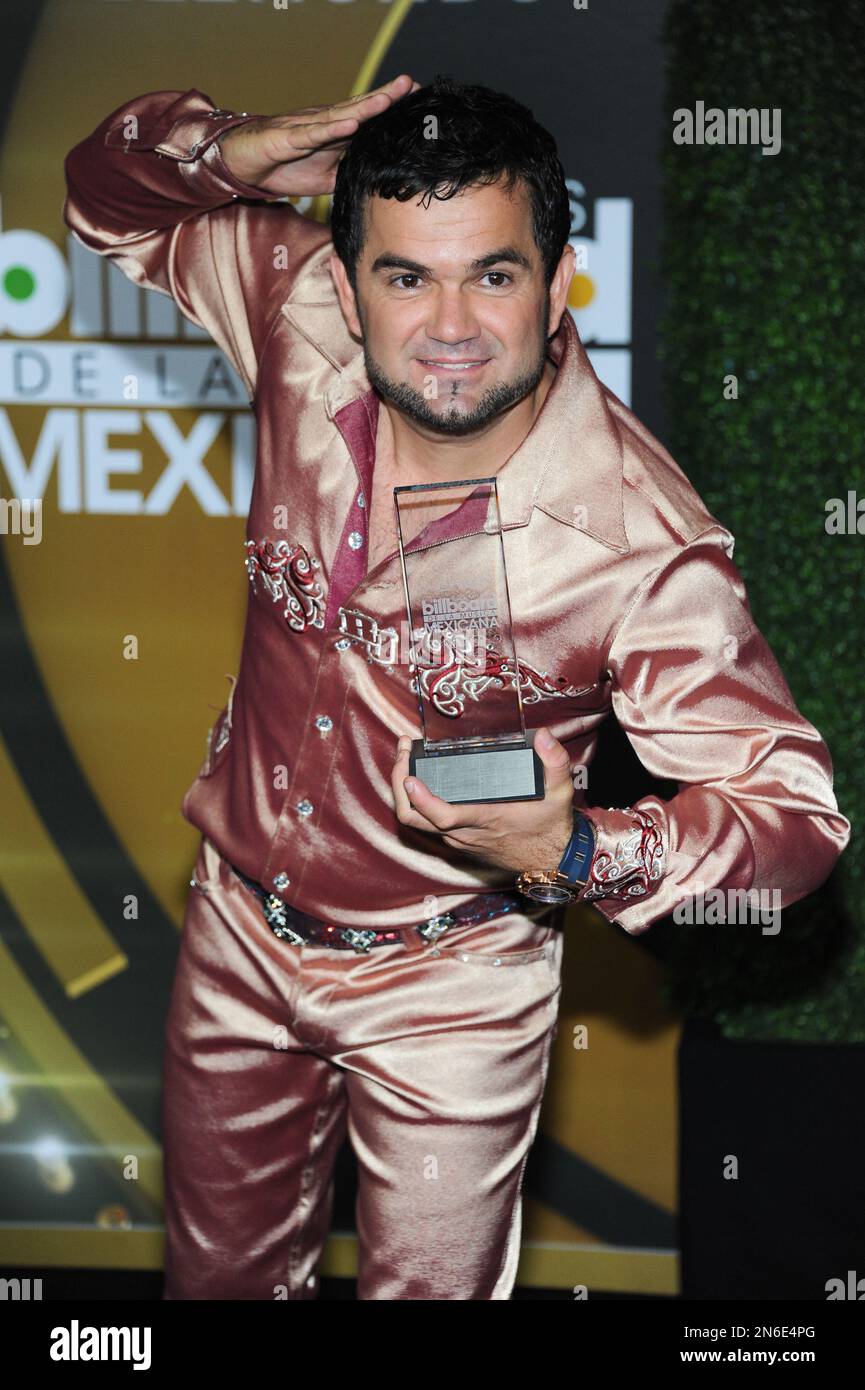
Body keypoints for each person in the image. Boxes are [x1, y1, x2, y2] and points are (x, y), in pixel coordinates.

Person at [63, 73, 850, 1301]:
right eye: (405, 275)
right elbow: (108, 204)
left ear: (556, 277)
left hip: (456, 985)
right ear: (347, 279)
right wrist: (224, 149)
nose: (450, 326)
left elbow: (795, 820)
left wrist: (588, 851)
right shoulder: (293, 313)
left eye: (492, 273)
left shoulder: (639, 542)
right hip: (237, 935)